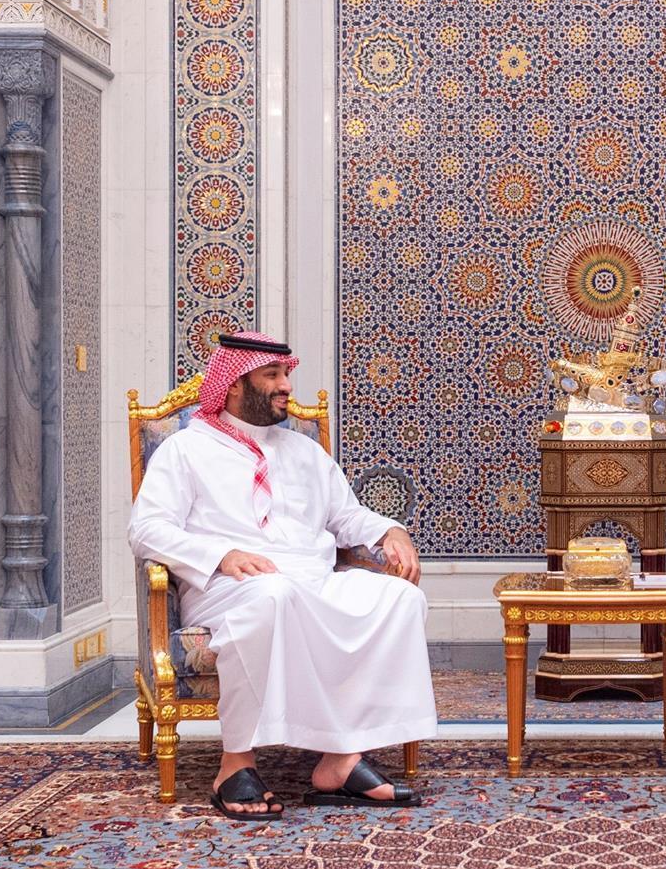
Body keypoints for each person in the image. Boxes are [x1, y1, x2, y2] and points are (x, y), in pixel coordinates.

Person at [129, 332, 438, 820]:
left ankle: (341, 758)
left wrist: (391, 531)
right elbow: (146, 530)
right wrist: (222, 555)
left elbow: (348, 517)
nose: (285, 386)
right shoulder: (184, 451)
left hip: (312, 579)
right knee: (272, 596)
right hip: (228, 587)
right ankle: (235, 764)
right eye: (272, 376)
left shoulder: (303, 451)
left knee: (399, 599)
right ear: (233, 384)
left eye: (287, 375)